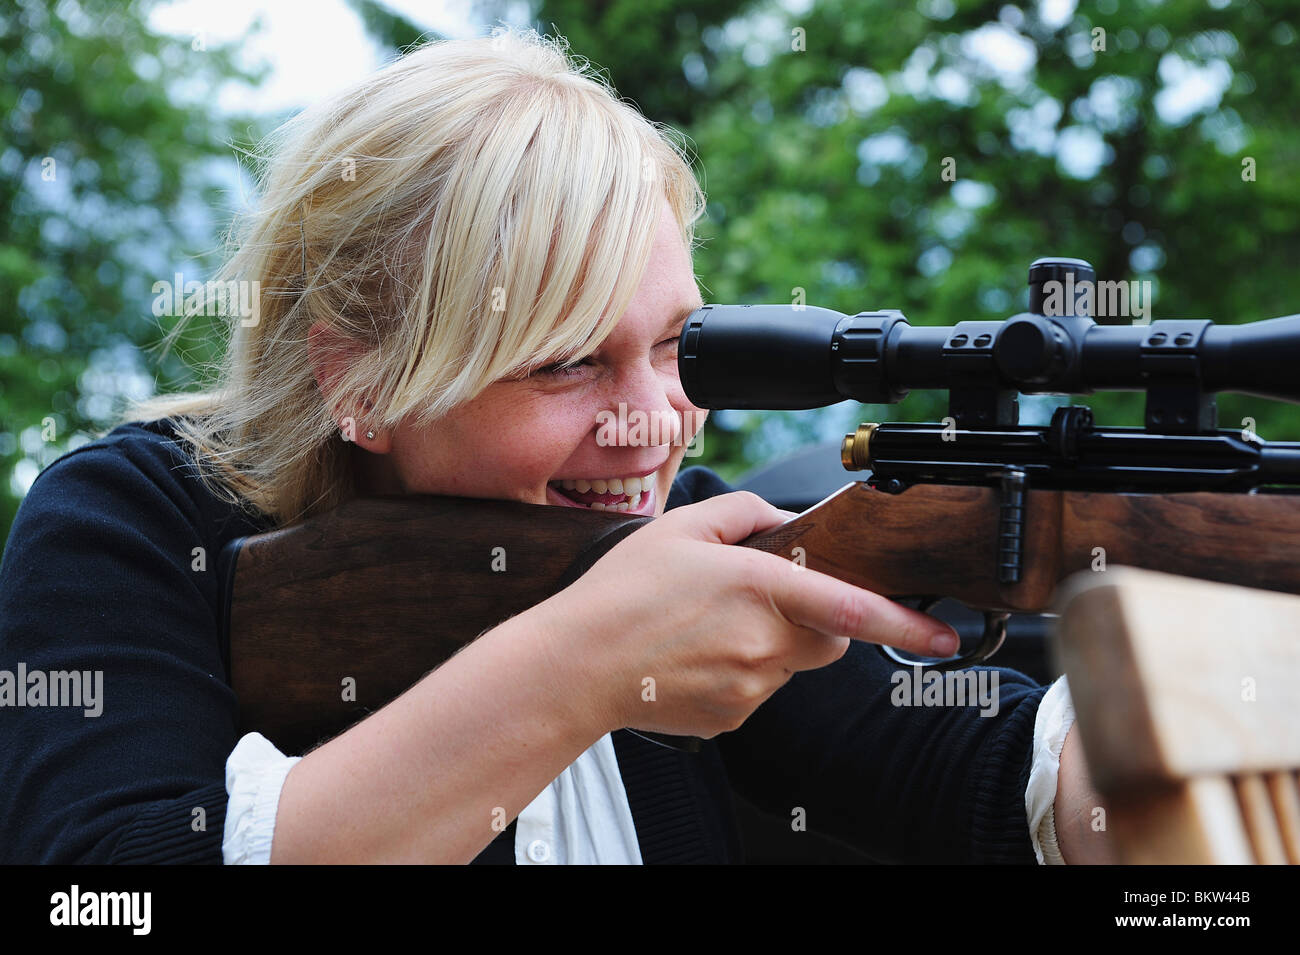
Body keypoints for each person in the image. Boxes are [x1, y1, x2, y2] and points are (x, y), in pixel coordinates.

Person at [0, 27, 1110, 864]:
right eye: (565, 362)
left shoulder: (681, 532)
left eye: (681, 346)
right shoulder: (135, 522)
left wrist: (1167, 737)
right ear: (360, 378)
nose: (653, 421)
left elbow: (980, 776)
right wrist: (581, 666)